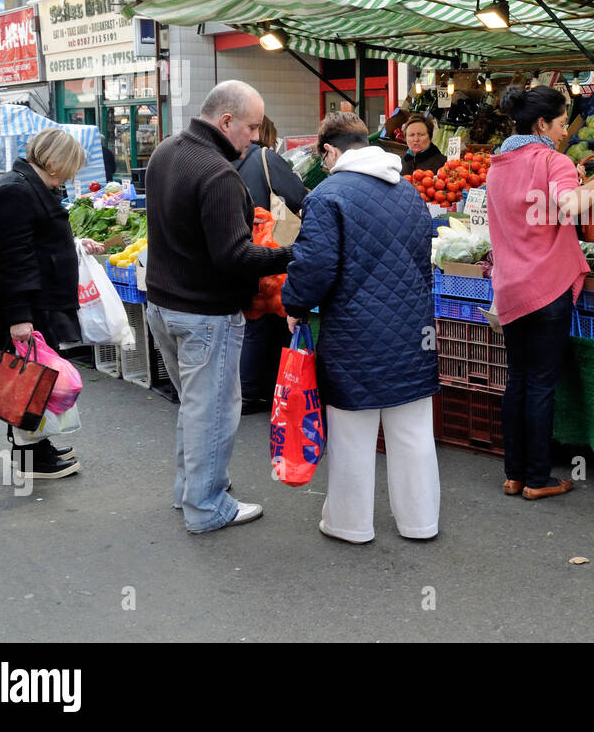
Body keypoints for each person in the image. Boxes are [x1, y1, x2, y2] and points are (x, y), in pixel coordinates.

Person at [282, 112, 440, 543]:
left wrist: (293, 304)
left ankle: (350, 524)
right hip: (413, 330)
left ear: (329, 151)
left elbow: (314, 264)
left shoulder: (328, 196)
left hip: (355, 332)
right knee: (413, 431)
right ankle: (420, 522)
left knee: (353, 433)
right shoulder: (408, 192)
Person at [144, 80, 292, 534]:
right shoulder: (218, 174)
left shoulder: (165, 151)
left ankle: (190, 491)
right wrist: (291, 254)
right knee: (212, 412)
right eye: (250, 128)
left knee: (194, 407)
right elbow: (235, 257)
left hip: (162, 307)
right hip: (204, 314)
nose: (255, 138)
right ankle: (207, 507)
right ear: (226, 121)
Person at [487, 86, 594, 500]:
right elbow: (571, 206)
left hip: (510, 287)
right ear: (542, 124)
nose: (564, 133)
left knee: (518, 379)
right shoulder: (551, 160)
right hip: (547, 287)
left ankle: (514, 474)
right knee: (541, 383)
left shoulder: (498, 164)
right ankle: (539, 479)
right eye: (561, 124)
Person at [0, 129, 103, 478]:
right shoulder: (17, 190)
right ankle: (30, 456)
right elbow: (13, 258)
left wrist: (73, 244)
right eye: (71, 166)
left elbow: (35, 243)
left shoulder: (26, 186)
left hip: (36, 302)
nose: (72, 174)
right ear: (55, 161)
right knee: (28, 381)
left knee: (35, 380)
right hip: (26, 306)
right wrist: (19, 316)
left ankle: (36, 446)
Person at [233, 116, 307, 414]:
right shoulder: (266, 157)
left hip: (239, 249)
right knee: (270, 317)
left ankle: (249, 391)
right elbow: (299, 197)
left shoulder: (227, 161)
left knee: (253, 319)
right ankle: (259, 391)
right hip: (269, 248)